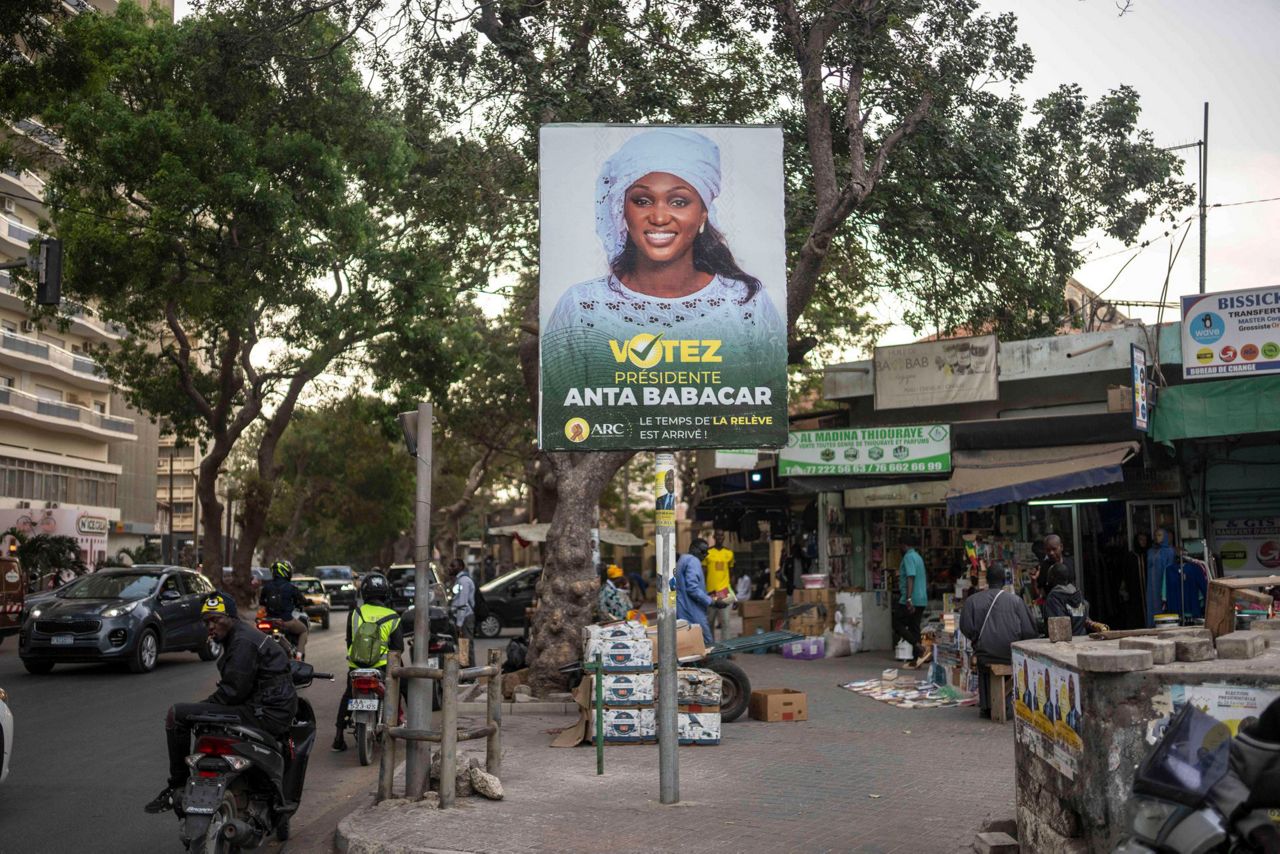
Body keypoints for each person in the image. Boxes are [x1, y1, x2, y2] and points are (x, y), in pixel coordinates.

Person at [540, 128, 787, 435]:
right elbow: (561, 422)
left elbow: (764, 410)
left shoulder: (746, 305)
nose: (659, 217)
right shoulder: (582, 308)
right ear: (621, 210)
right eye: (642, 200)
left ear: (703, 214)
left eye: (679, 202)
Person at [146, 592, 297, 813]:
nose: (210, 626)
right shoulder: (242, 635)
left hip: (265, 712)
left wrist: (201, 709)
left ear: (231, 618)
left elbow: (232, 693)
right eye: (207, 621)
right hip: (268, 707)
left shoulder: (242, 641)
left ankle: (177, 785)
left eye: (216, 620)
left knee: (177, 714)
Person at [333, 572, 404, 752]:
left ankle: (338, 736)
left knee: (349, 694)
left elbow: (350, 641)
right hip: (381, 667)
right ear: (386, 593)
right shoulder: (393, 616)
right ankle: (400, 720)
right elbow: (397, 648)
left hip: (356, 665)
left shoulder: (355, 613)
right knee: (396, 688)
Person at [959, 562, 1039, 719]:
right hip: (1010, 653)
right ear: (1005, 580)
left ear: (987, 580)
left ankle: (986, 705)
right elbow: (1029, 631)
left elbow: (965, 627)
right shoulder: (1016, 602)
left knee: (983, 664)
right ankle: (1009, 703)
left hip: (984, 653)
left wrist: (978, 639)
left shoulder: (972, 601)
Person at [259, 559, 309, 659]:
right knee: (303, 630)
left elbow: (261, 602)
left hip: (268, 621)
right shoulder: (291, 587)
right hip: (286, 621)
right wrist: (307, 602)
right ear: (286, 571)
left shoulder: (266, 587)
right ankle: (298, 655)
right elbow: (302, 600)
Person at [1043, 563, 1108, 635]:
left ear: (1052, 577)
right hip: (1081, 639)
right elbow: (1084, 617)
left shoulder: (1054, 598)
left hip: (1065, 643)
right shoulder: (1078, 594)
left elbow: (1057, 626)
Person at [892, 533, 928, 661]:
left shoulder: (908, 557)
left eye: (900, 546)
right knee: (914, 626)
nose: (899, 549)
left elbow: (910, 576)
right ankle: (916, 658)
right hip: (921, 598)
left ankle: (916, 645)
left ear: (904, 545)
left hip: (911, 599)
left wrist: (908, 599)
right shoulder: (918, 557)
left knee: (897, 623)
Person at [675, 538, 715, 645]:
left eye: (707, 552)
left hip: (683, 609)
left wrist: (707, 594)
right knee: (707, 643)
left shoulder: (682, 560)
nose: (705, 555)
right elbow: (692, 589)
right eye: (703, 551)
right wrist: (711, 601)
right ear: (693, 549)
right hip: (693, 611)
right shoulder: (693, 560)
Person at [704, 533, 735, 641]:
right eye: (718, 536)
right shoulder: (708, 552)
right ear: (714, 537)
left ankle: (727, 651)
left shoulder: (729, 553)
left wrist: (733, 595)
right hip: (710, 593)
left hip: (724, 593)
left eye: (722, 536)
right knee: (709, 623)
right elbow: (703, 573)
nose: (720, 537)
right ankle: (711, 650)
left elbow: (731, 574)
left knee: (726, 622)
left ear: (724, 537)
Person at [1146, 528, 1178, 626]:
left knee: (1163, 602)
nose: (1157, 537)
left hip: (1163, 581)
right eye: (1156, 535)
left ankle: (1162, 624)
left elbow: (1170, 568)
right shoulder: (1150, 551)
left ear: (1165, 537)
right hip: (1151, 582)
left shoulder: (1170, 551)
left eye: (1160, 535)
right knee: (1151, 602)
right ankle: (1151, 624)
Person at [449, 558, 476, 664]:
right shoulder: (459, 580)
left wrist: (459, 623)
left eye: (453, 566)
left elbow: (462, 603)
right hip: (462, 617)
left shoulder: (463, 581)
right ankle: (465, 672)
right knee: (463, 646)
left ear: (460, 567)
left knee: (466, 646)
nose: (449, 568)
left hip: (465, 617)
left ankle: (471, 674)